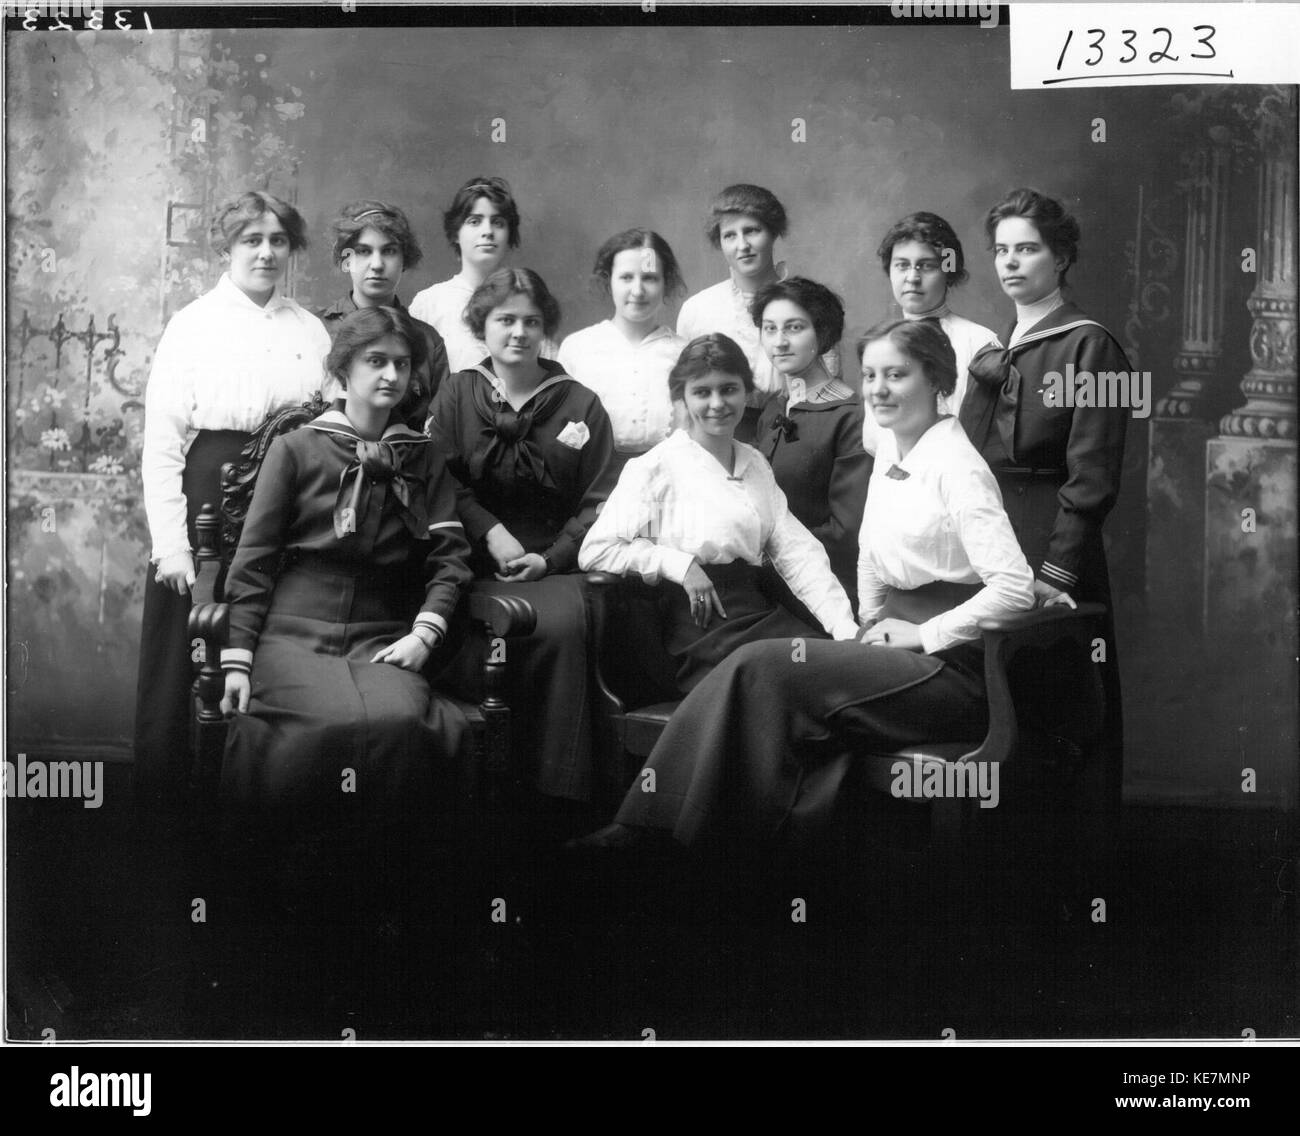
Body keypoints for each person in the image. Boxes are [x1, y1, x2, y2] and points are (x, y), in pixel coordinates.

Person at [569, 318, 1034, 851]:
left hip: (948, 659)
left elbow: (801, 553)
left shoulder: (955, 465)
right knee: (774, 681)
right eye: (871, 375)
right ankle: (727, 846)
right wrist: (864, 622)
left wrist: (901, 633)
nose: (879, 389)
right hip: (776, 633)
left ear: (937, 381)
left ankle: (660, 834)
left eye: (897, 375)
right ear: (681, 398)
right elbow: (871, 559)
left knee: (764, 667)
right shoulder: (892, 447)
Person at [134, 190, 331, 807]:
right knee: (192, 633)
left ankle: (257, 787)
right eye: (252, 240)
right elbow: (163, 440)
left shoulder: (310, 330)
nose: (266, 253)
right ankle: (173, 794)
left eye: (277, 241)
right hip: (208, 496)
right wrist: (172, 546)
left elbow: (328, 424)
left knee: (267, 628)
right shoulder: (193, 323)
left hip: (288, 491)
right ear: (228, 248)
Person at [578, 333, 859, 697]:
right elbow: (595, 551)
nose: (717, 403)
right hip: (699, 628)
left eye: (729, 389)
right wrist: (680, 565)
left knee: (832, 670)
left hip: (757, 613)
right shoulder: (657, 466)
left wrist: (844, 628)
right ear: (682, 397)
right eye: (702, 392)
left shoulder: (754, 462)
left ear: (746, 392)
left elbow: (798, 554)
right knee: (795, 681)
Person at [428, 268, 617, 803]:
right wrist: (490, 532)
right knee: (461, 631)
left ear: (546, 330)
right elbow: (436, 479)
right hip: (470, 557)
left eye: (531, 322)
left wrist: (550, 558)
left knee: (558, 627)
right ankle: (476, 784)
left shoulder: (580, 403)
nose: (518, 332)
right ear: (481, 326)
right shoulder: (458, 392)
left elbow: (600, 500)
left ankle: (554, 792)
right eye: (504, 320)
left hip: (555, 562)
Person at [959, 187, 1128, 760]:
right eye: (1001, 249)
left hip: (1050, 543)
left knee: (1046, 706)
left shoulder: (1090, 344)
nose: (1009, 261)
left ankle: (1056, 843)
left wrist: (1058, 572)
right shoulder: (995, 349)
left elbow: (1095, 474)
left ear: (1059, 259)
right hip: (986, 537)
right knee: (978, 699)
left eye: (1026, 249)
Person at [676, 184, 840, 441]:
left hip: (794, 433)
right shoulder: (697, 310)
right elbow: (686, 393)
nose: (742, 245)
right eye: (730, 235)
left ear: (773, 233)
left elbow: (828, 385)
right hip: (720, 435)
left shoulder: (807, 302)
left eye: (752, 231)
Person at [751, 277, 870, 610]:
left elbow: (847, 531)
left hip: (825, 588)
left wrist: (771, 555)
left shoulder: (850, 416)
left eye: (794, 328)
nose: (780, 341)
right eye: (769, 328)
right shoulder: (775, 408)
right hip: (765, 582)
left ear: (823, 335)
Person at [865, 211, 1000, 456]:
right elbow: (874, 439)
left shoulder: (979, 342)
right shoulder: (879, 346)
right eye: (902, 265)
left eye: (926, 266)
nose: (912, 278)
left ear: (948, 270)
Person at [557, 228, 686, 479]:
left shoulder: (682, 352)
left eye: (649, 278)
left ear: (666, 282)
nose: (638, 290)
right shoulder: (579, 348)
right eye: (626, 277)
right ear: (609, 280)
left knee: (656, 520)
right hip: (594, 481)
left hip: (665, 479)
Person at [316, 199, 450, 428]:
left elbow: (441, 427)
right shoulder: (317, 329)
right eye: (364, 251)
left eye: (388, 251)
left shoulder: (427, 341)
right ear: (346, 260)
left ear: (404, 260)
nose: (376, 264)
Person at [410, 175, 559, 372]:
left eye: (498, 222)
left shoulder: (530, 300)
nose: (487, 231)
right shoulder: (429, 304)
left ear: (509, 234)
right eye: (474, 221)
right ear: (456, 233)